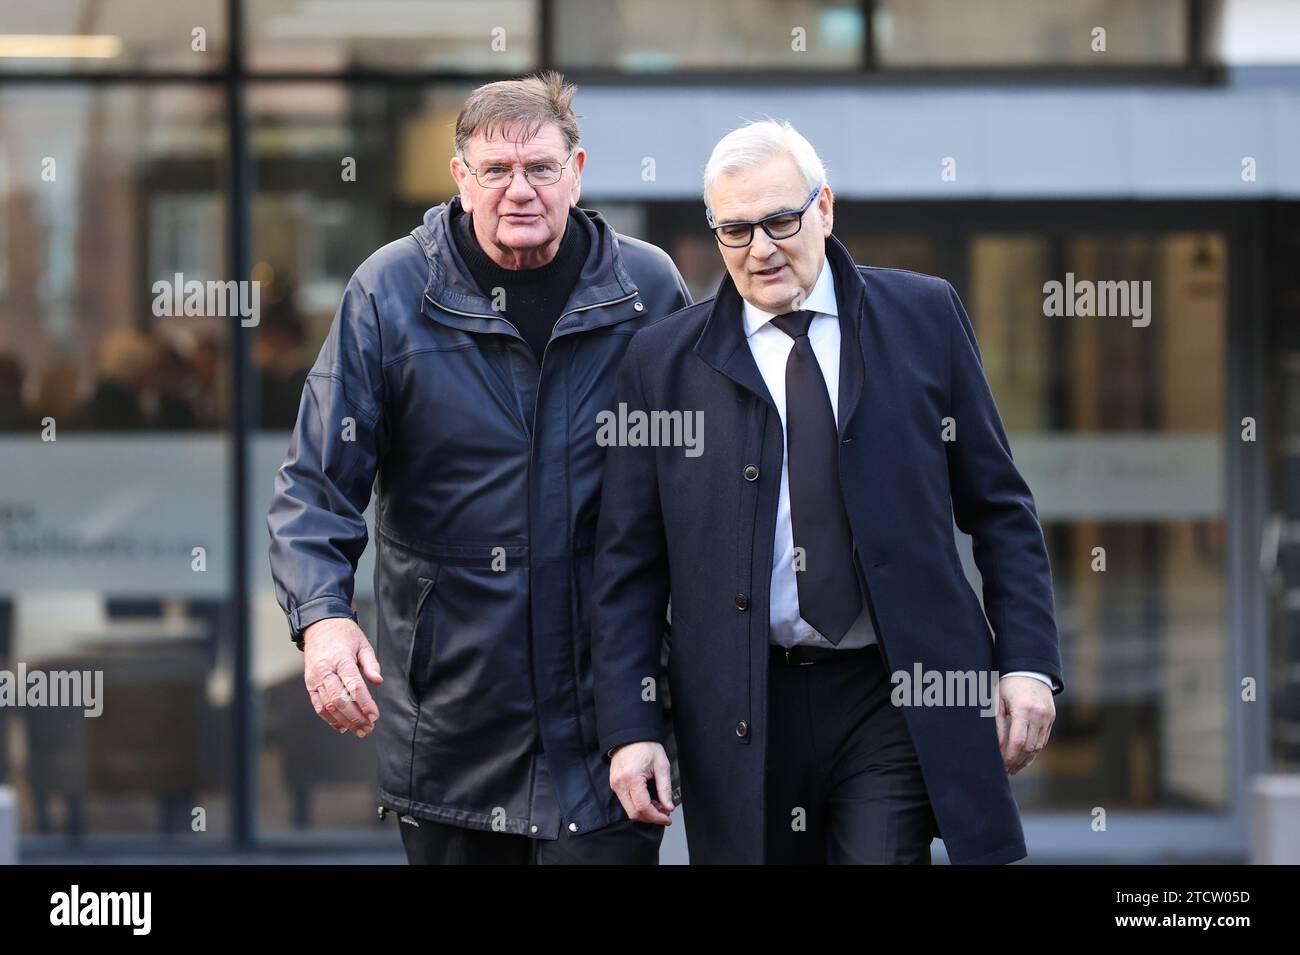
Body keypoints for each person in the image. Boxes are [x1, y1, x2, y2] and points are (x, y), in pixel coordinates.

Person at [591, 120, 1063, 864]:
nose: (761, 249)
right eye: (735, 229)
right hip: (744, 710)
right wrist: (632, 723)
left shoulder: (923, 317)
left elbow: (999, 507)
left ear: (826, 209)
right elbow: (626, 570)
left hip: (891, 696)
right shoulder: (662, 364)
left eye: (781, 220)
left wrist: (1028, 663)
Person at [268, 71, 690, 864]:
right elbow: (315, 486)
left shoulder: (647, 289)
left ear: (577, 172)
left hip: (611, 726)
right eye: (495, 171)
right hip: (452, 728)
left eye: (539, 168)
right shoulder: (390, 292)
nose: (518, 190)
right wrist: (322, 618)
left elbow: (701, 487)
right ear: (460, 178)